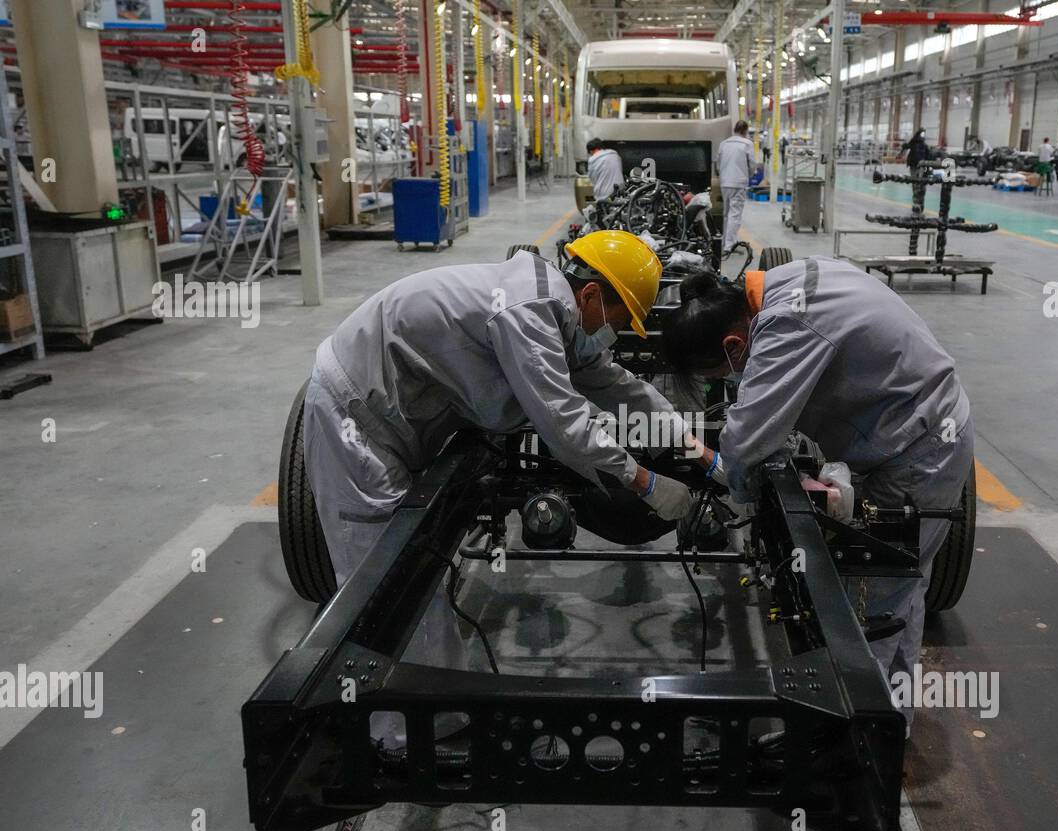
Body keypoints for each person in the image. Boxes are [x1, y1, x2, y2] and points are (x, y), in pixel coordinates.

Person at [303, 231, 708, 684]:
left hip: (396, 412)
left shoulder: (556, 307)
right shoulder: (529, 312)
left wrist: (695, 446)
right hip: (356, 419)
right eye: (618, 318)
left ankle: (425, 699)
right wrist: (646, 483)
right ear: (591, 294)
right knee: (386, 574)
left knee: (410, 566)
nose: (612, 333)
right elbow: (566, 426)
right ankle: (407, 727)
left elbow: (616, 384)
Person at [662, 259, 973, 729]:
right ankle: (893, 724)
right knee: (905, 581)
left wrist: (735, 485)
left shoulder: (789, 322)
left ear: (733, 345)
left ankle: (855, 741)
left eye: (719, 374)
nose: (726, 383)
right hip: (913, 437)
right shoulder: (783, 281)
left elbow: (746, 442)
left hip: (918, 452)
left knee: (869, 600)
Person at [717, 120, 758, 253]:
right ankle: (730, 245)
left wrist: (722, 175)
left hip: (725, 182)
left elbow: (718, 163)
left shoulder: (724, 144)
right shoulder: (747, 144)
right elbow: (752, 165)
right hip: (738, 183)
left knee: (726, 213)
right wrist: (749, 175)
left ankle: (724, 242)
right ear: (745, 131)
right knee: (735, 214)